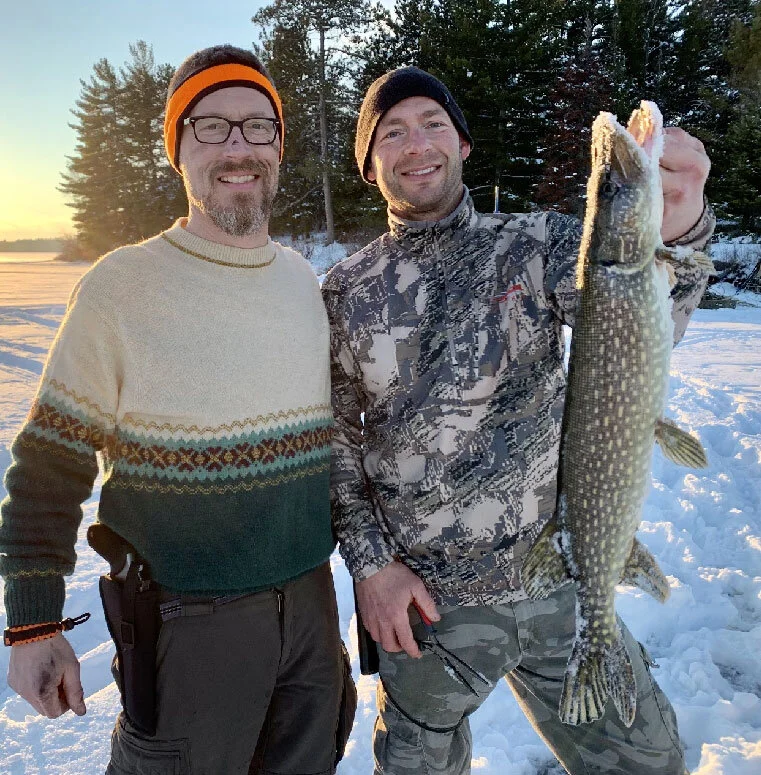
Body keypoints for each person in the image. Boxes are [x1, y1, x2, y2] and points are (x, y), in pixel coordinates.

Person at [323, 66, 714, 775]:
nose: (416, 144)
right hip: (425, 606)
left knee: (649, 765)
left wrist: (679, 227)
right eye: (392, 132)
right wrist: (372, 567)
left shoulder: (535, 243)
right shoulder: (344, 291)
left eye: (433, 124)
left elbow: (644, 302)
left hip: (556, 577)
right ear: (369, 161)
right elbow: (334, 446)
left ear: (463, 144)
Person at [1, 45, 348, 775]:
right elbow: (48, 463)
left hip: (313, 614)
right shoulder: (122, 286)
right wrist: (32, 621)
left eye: (257, 127)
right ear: (176, 149)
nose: (237, 147)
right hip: (189, 626)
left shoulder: (301, 282)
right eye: (211, 126)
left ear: (279, 145)